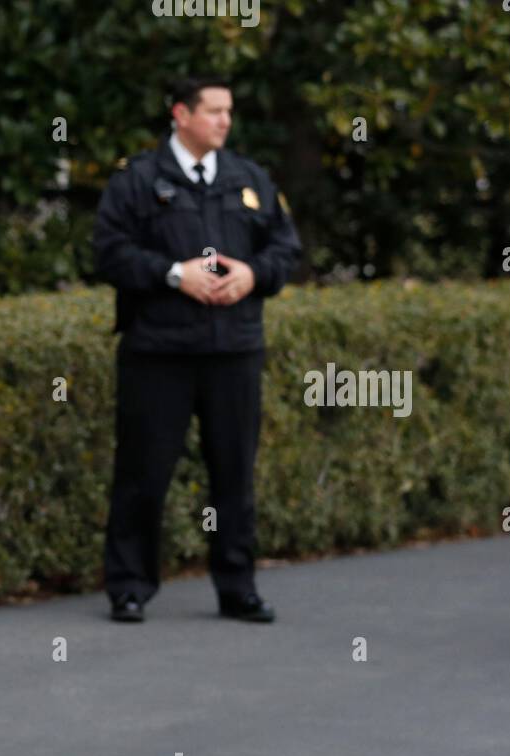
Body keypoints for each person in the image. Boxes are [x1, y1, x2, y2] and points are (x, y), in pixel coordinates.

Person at [94, 76, 301, 623]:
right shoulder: (138, 179)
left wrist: (253, 274)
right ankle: (130, 586)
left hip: (234, 351)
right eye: (214, 111)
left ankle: (238, 588)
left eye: (229, 110)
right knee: (143, 472)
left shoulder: (249, 178)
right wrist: (171, 274)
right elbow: (108, 252)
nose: (225, 121)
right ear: (181, 115)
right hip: (158, 353)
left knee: (234, 474)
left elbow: (286, 248)